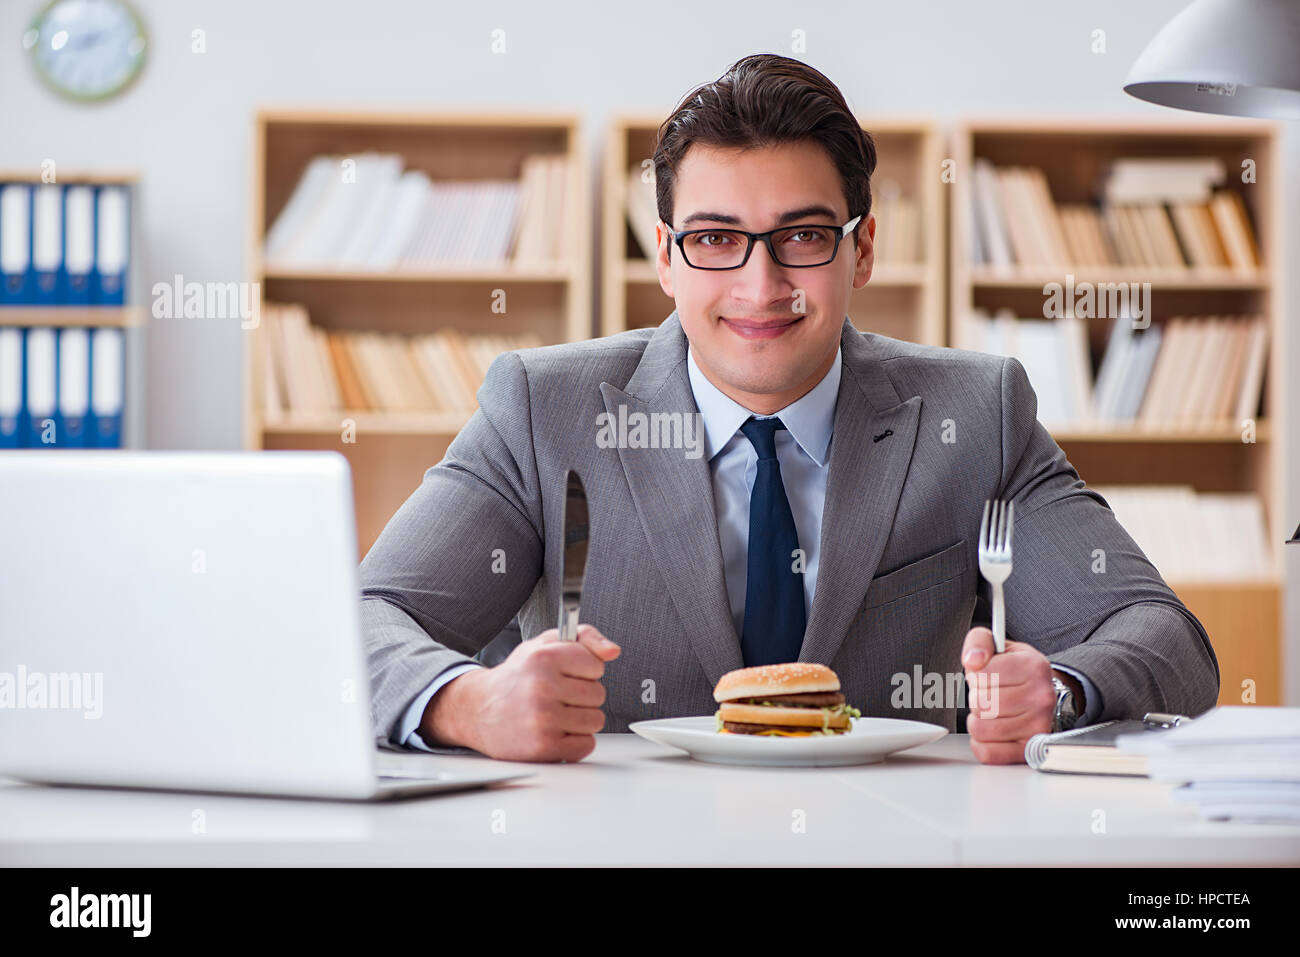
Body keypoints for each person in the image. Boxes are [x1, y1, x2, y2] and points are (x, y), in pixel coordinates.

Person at [359, 53, 1219, 765]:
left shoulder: (977, 413)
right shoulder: (543, 411)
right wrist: (467, 703)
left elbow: (1166, 637)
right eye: (715, 238)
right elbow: (361, 621)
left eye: (804, 237)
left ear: (864, 248)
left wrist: (1061, 690)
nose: (760, 286)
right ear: (665, 256)